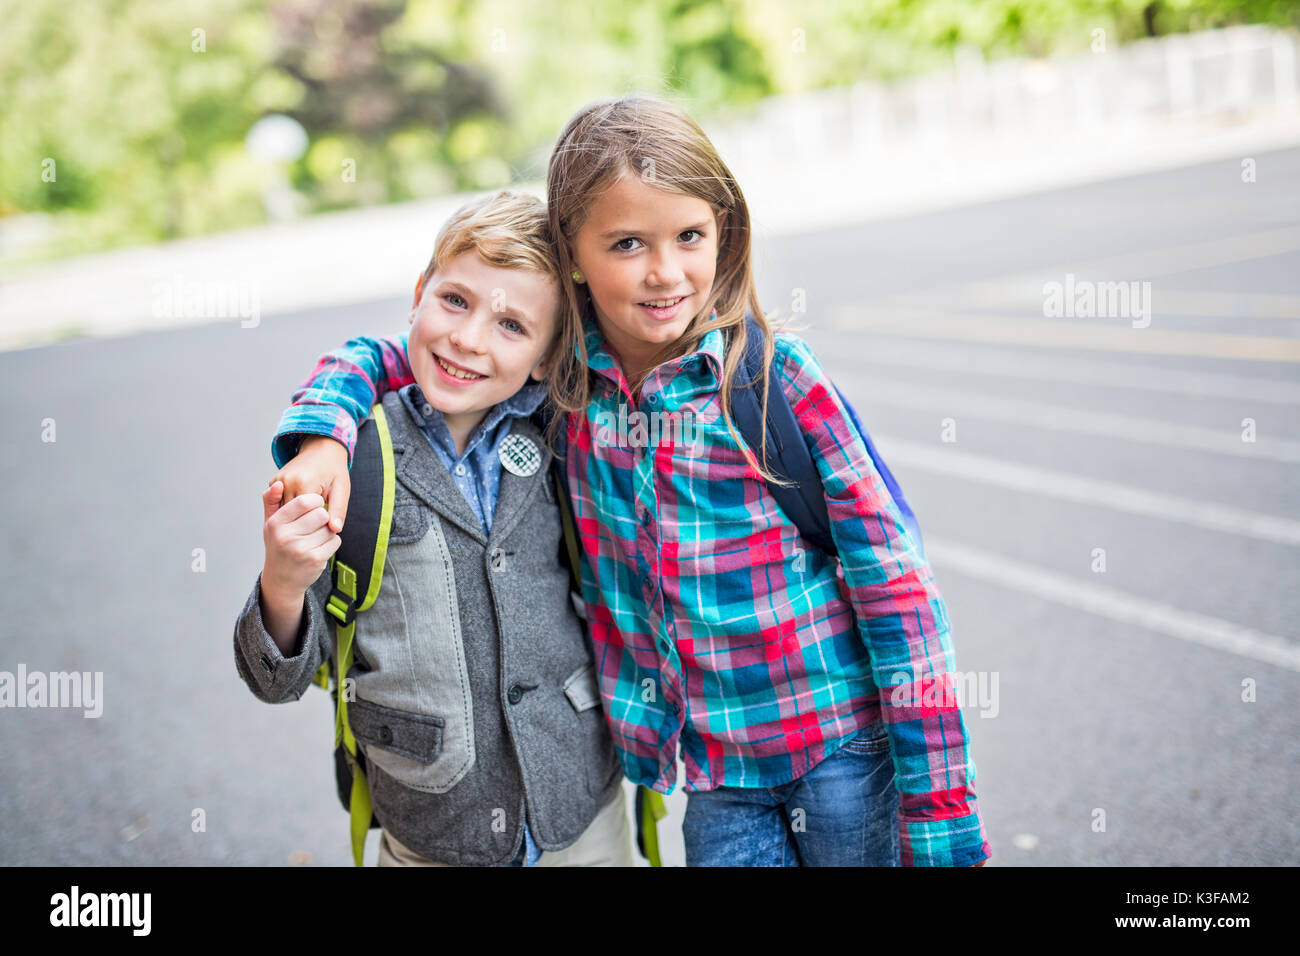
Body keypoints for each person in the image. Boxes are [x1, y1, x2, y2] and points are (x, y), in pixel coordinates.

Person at [267, 95, 992, 867]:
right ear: (573, 254)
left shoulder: (776, 383)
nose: (664, 272)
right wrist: (319, 436)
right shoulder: (565, 389)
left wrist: (940, 807)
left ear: (724, 231)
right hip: (714, 778)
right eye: (626, 243)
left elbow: (899, 591)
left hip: (845, 747)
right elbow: (407, 355)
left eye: (689, 236)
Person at [233, 189, 634, 867]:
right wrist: (282, 582)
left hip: (584, 815)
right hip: (431, 829)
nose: (469, 339)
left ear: (546, 356)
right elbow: (275, 680)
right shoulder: (354, 456)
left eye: (512, 326)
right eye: (455, 301)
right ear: (419, 294)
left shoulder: (565, 434)